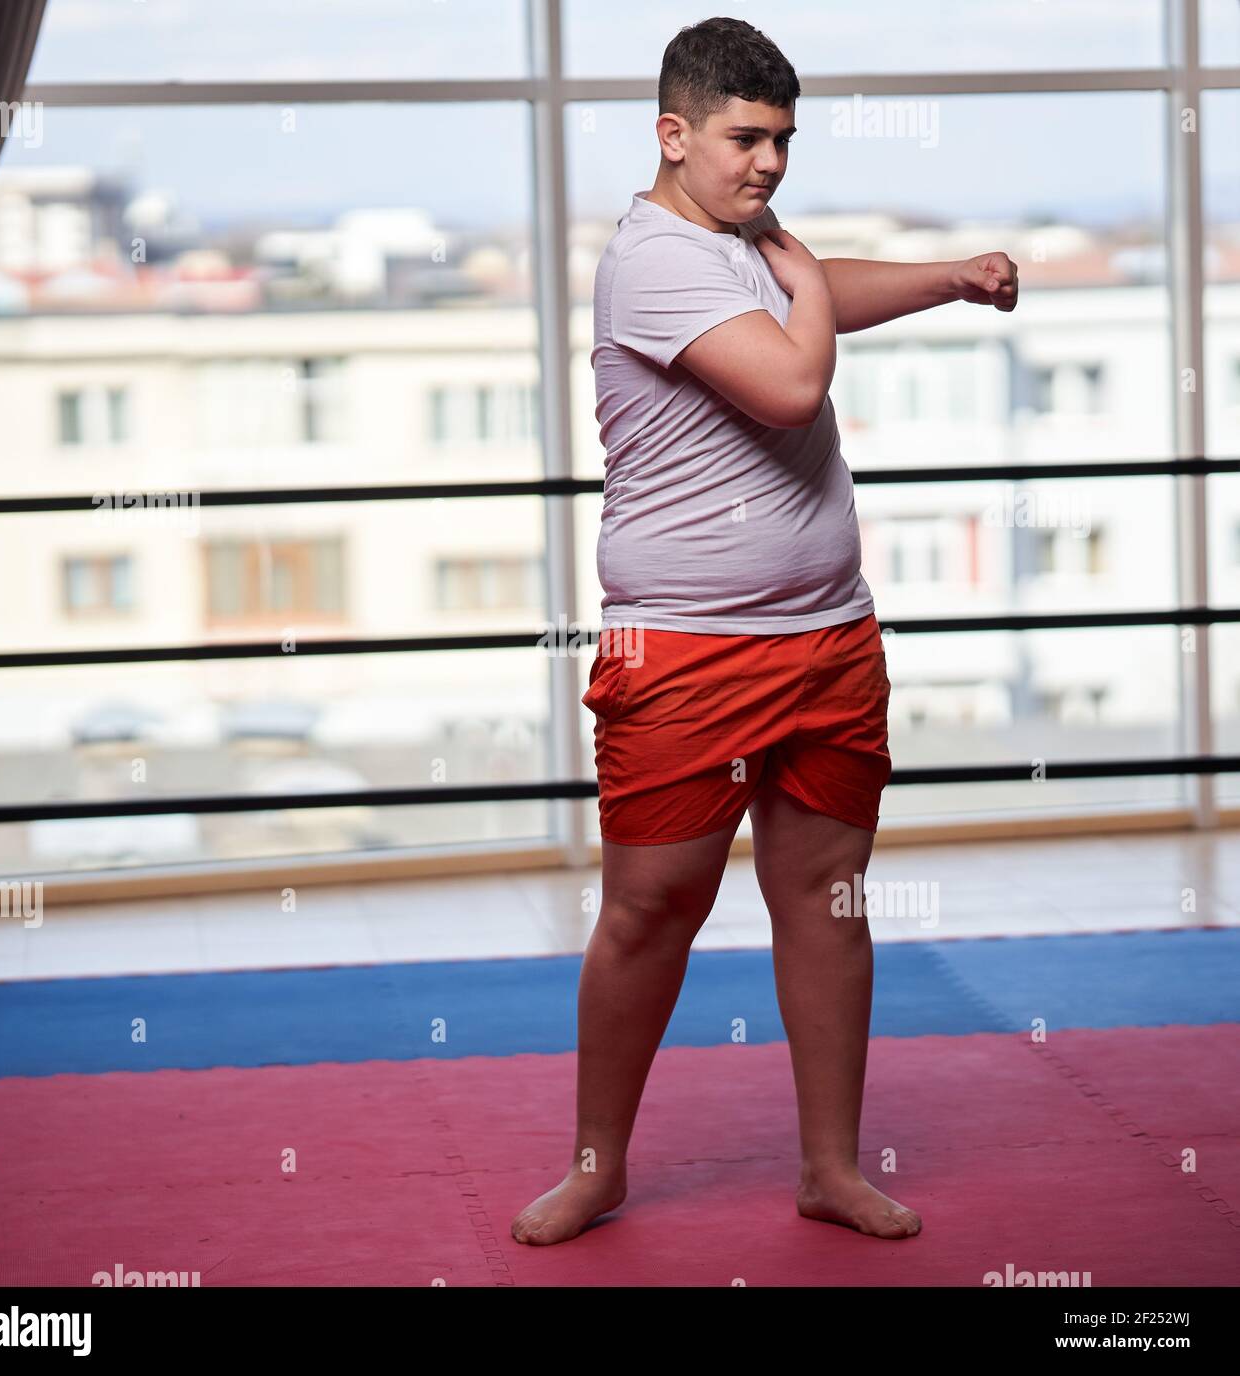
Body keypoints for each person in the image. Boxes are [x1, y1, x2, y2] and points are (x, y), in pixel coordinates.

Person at [511, 15, 1018, 1247]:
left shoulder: (740, 244)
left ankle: (830, 1167)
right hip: (687, 650)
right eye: (745, 139)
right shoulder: (652, 259)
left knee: (829, 898)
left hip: (828, 637)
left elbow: (808, 286)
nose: (770, 162)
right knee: (649, 907)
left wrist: (948, 276)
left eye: (783, 139)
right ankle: (597, 1165)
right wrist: (810, 286)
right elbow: (794, 379)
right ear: (672, 135)